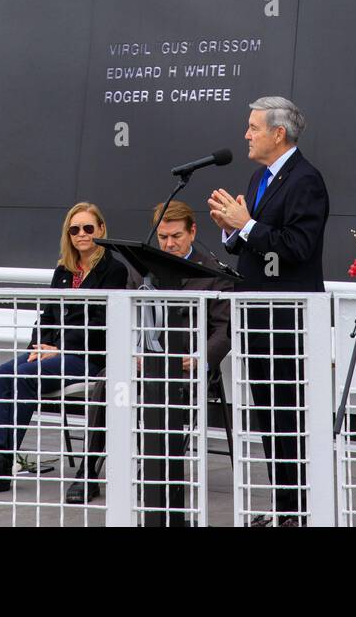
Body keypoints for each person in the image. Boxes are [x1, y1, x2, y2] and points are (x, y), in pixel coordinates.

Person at [207, 97, 329, 527]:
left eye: (254, 127)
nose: (246, 134)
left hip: (288, 324)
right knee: (270, 421)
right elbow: (253, 243)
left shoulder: (306, 181)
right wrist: (231, 230)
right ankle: (285, 511)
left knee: (289, 419)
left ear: (279, 133)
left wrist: (248, 224)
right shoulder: (260, 176)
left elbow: (298, 246)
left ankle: (300, 511)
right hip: (256, 316)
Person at [0, 202, 127, 495]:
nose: (82, 234)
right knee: (5, 372)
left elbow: (103, 324)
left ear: (102, 230)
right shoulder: (64, 271)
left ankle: (0, 466)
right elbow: (47, 316)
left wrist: (58, 348)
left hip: (89, 358)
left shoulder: (114, 271)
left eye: (88, 228)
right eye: (75, 229)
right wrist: (36, 348)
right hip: (56, 354)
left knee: (26, 376)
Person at [140, 200, 233, 527]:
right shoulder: (148, 269)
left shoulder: (212, 273)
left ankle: (155, 471)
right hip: (147, 361)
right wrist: (134, 352)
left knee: (168, 394)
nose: (168, 244)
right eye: (163, 237)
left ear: (192, 231)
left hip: (189, 367)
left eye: (176, 236)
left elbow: (225, 330)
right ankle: (88, 475)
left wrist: (197, 360)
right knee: (106, 384)